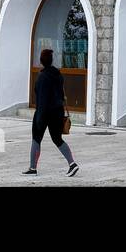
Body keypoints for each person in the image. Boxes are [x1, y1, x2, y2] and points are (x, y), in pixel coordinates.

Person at [24, 47, 79, 177]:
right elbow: (60, 94)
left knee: (36, 138)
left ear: (41, 60)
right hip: (57, 112)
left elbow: (42, 98)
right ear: (51, 60)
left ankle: (33, 168)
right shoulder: (58, 75)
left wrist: (39, 118)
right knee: (57, 139)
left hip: (44, 112)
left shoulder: (42, 77)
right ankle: (72, 164)